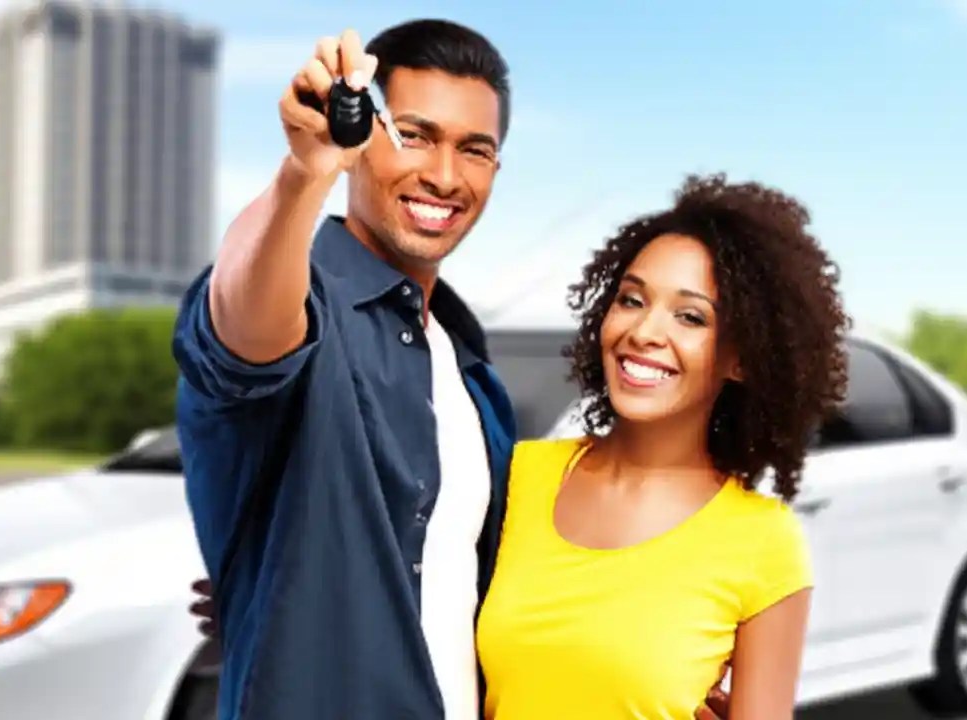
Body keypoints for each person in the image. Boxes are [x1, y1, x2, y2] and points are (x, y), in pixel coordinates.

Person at [171, 17, 734, 720]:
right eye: (414, 135)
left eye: (474, 149)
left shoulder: (472, 376)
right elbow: (245, 328)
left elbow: (482, 602)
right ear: (360, 132)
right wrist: (303, 175)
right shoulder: (299, 307)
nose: (443, 175)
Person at [475, 174, 850, 719]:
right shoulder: (522, 476)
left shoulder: (764, 545)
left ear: (743, 359)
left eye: (691, 316)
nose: (645, 331)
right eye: (632, 299)